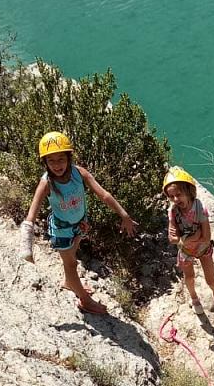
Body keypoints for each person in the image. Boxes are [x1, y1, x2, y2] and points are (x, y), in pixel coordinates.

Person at [19, 132, 138, 314]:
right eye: (51, 160)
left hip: (80, 224)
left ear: (69, 157)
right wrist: (27, 247)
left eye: (61, 159)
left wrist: (124, 215)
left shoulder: (79, 173)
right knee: (71, 263)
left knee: (73, 254)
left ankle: (69, 283)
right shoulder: (47, 183)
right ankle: (85, 300)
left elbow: (103, 194)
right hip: (62, 230)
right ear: (45, 162)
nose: (57, 165)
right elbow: (31, 216)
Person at [163, 167, 214, 318]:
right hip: (186, 251)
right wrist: (185, 239)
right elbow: (172, 238)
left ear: (188, 191)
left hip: (203, 248)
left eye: (178, 195)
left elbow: (206, 236)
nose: (176, 200)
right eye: (172, 197)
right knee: (189, 277)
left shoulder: (200, 208)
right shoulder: (173, 212)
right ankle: (194, 298)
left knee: (211, 279)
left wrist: (182, 239)